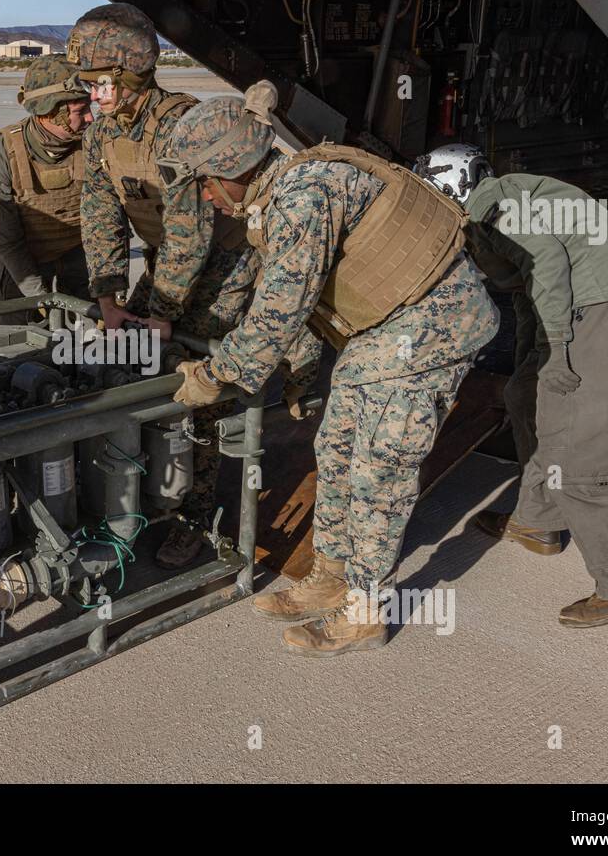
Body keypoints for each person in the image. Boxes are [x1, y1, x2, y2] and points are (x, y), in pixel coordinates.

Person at [170, 84, 499, 656]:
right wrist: (300, 370)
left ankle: (366, 611)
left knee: (380, 471)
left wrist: (213, 376)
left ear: (233, 167)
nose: (203, 195)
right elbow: (304, 300)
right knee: (337, 445)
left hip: (430, 329)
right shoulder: (284, 192)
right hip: (385, 328)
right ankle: (332, 574)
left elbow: (276, 314)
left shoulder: (303, 196)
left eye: (203, 179)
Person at [72, 3, 297, 569]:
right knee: (125, 362)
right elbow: (99, 212)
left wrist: (163, 314)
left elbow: (192, 235)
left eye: (101, 84)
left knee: (192, 383)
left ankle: (196, 517)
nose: (92, 96)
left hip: (222, 268)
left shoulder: (181, 126)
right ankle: (143, 487)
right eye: (88, 85)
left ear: (132, 78)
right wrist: (109, 296)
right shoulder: (104, 134)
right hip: (170, 264)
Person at [416, 144, 608, 628]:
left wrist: (556, 345)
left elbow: (547, 264)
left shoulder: (492, 206)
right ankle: (539, 521)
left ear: (449, 187)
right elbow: (525, 289)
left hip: (596, 301)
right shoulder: (498, 203)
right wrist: (535, 354)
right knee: (526, 396)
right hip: (589, 298)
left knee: (575, 434)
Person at [0, 55, 94, 325]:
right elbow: (8, 240)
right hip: (24, 262)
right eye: (80, 111)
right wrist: (41, 300)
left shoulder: (94, 143)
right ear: (52, 111)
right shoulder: (6, 152)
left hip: (80, 258)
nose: (90, 117)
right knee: (19, 343)